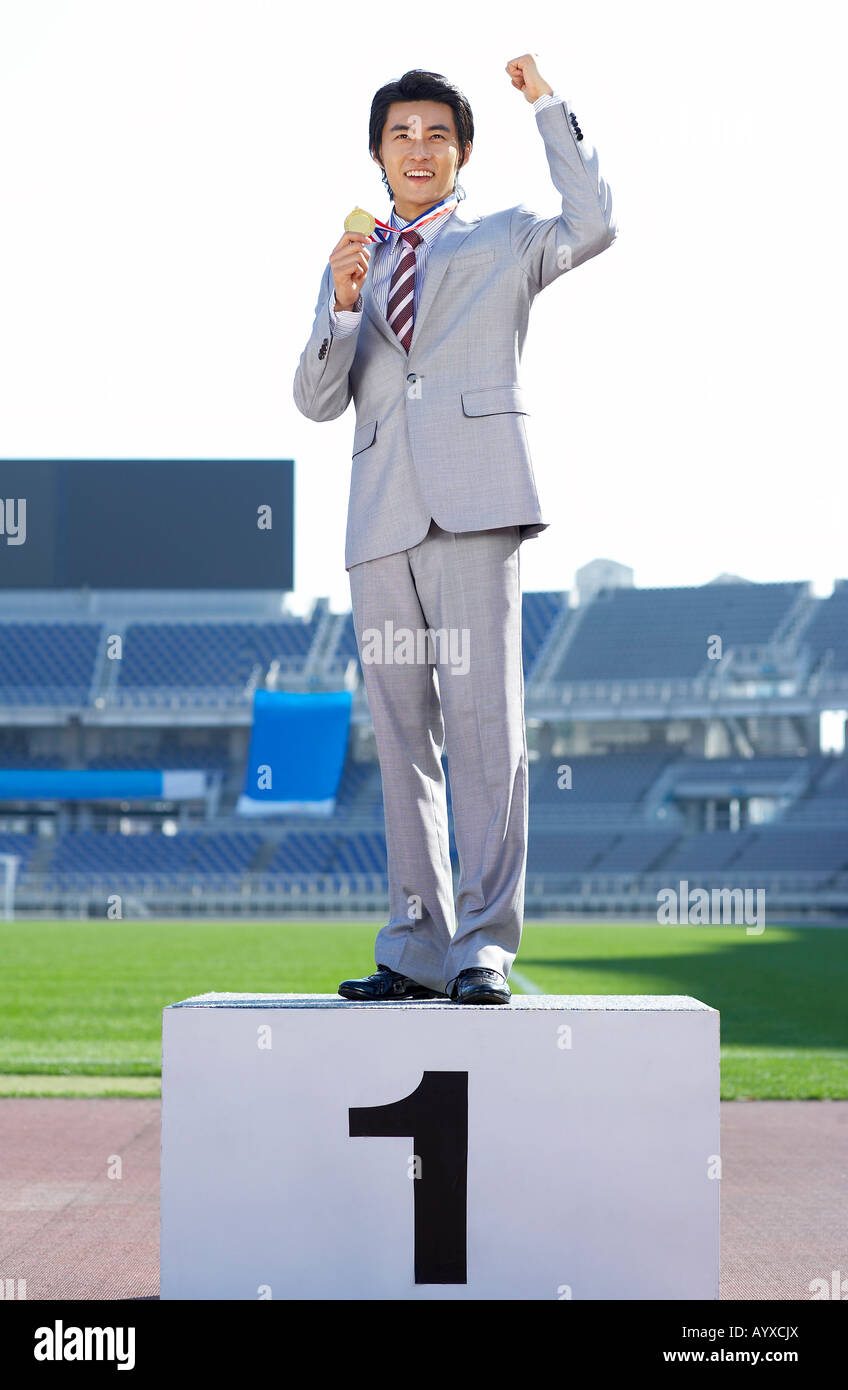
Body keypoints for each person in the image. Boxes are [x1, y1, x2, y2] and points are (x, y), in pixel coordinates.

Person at [293, 55, 616, 1004]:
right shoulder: (352, 263)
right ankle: (416, 945)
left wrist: (548, 107)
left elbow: (595, 222)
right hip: (380, 522)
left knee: (485, 730)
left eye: (437, 133)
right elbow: (316, 400)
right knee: (401, 738)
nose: (419, 148)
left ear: (462, 150)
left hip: (476, 507)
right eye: (402, 135)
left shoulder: (506, 238)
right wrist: (341, 305)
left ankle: (483, 947)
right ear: (379, 156)